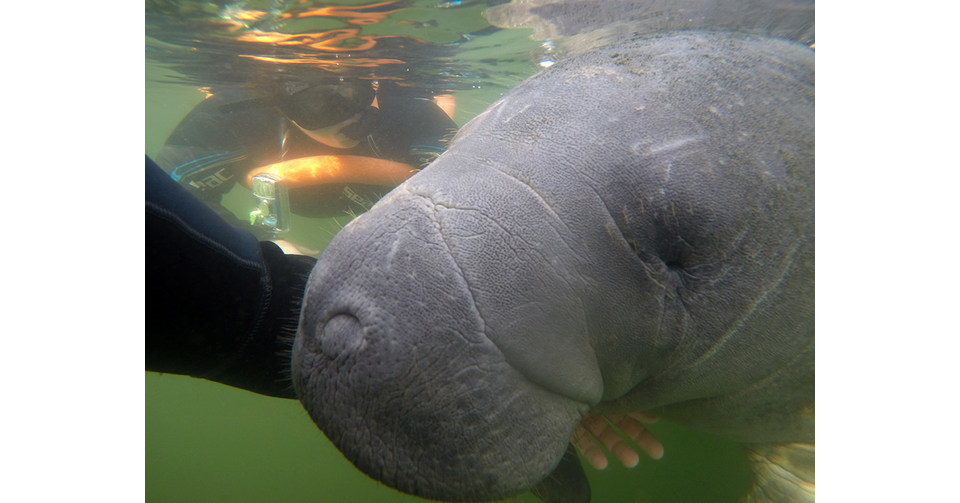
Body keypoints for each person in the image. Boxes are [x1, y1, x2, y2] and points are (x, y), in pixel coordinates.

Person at [153, 78, 459, 236]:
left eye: (356, 93)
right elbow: (168, 203)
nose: (350, 116)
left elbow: (468, 188)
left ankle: (444, 101)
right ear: (281, 102)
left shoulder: (405, 107)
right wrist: (258, 247)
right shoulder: (240, 116)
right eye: (317, 102)